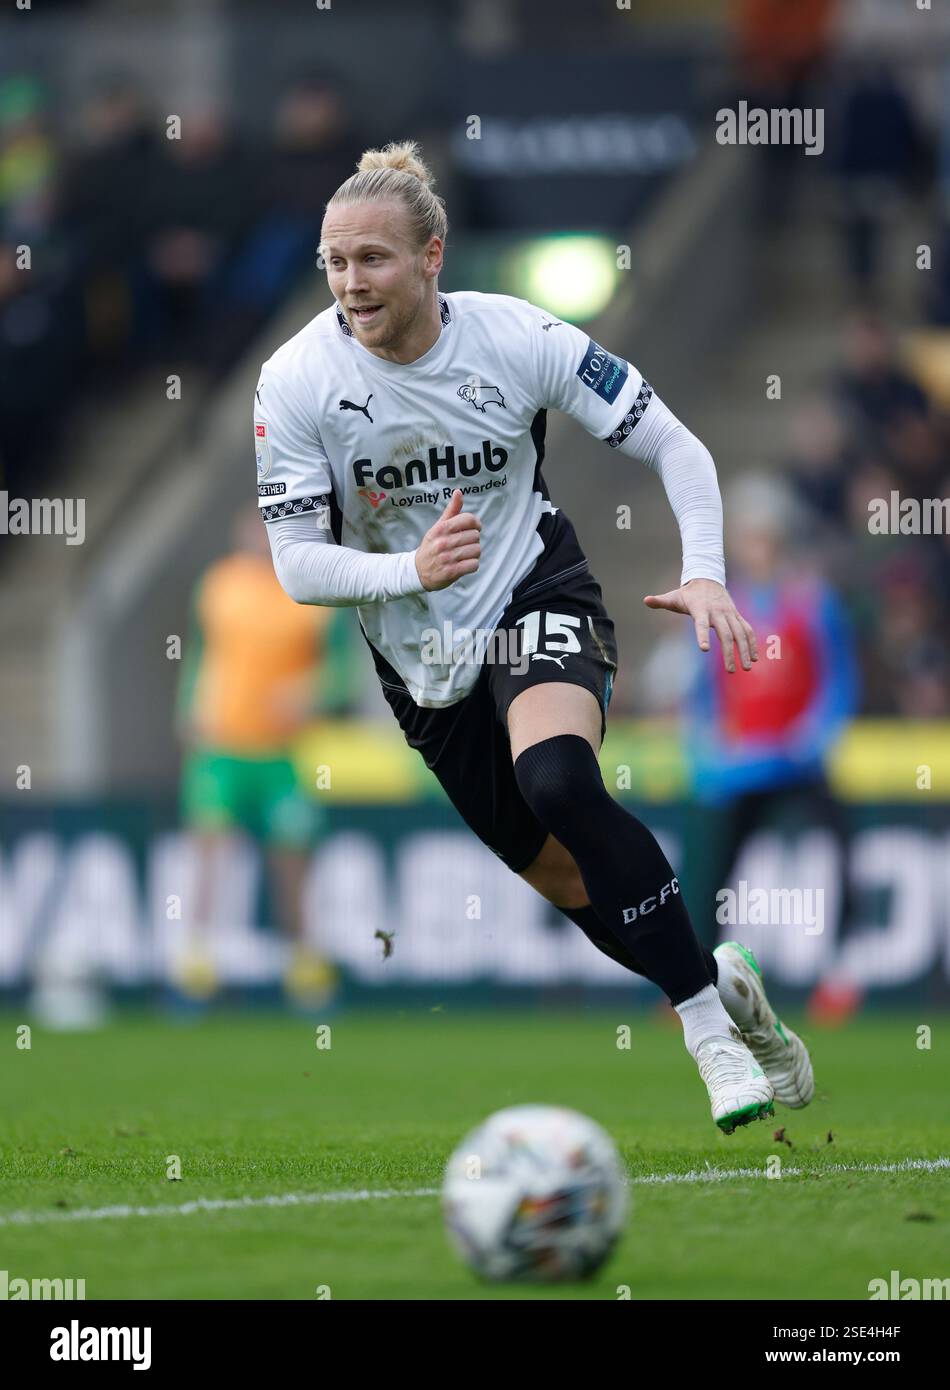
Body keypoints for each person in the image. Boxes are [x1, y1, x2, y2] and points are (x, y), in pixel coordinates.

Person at [254, 140, 815, 1132]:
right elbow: (297, 562)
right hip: (421, 663)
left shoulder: (513, 337)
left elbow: (670, 442)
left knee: (556, 778)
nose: (351, 282)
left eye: (373, 258)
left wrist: (703, 572)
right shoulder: (296, 381)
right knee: (570, 879)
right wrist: (408, 571)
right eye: (335, 263)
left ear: (432, 256)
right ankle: (721, 986)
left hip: (530, 590)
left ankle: (703, 1034)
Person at [177, 504, 353, 1006]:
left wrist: (308, 694)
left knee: (292, 860)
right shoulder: (219, 585)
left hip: (281, 755)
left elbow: (342, 674)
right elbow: (199, 654)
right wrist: (188, 706)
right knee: (208, 852)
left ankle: (304, 971)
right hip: (222, 748)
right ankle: (195, 969)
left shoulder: (313, 594)